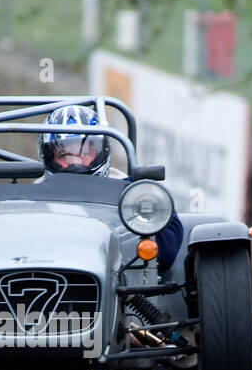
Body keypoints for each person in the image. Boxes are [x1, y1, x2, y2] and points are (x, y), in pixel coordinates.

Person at [39, 104, 184, 272]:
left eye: (85, 152)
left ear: (102, 151)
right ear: (48, 157)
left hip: (121, 285)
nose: (76, 162)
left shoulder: (132, 192)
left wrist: (146, 209)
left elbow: (166, 256)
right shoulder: (30, 200)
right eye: (65, 155)